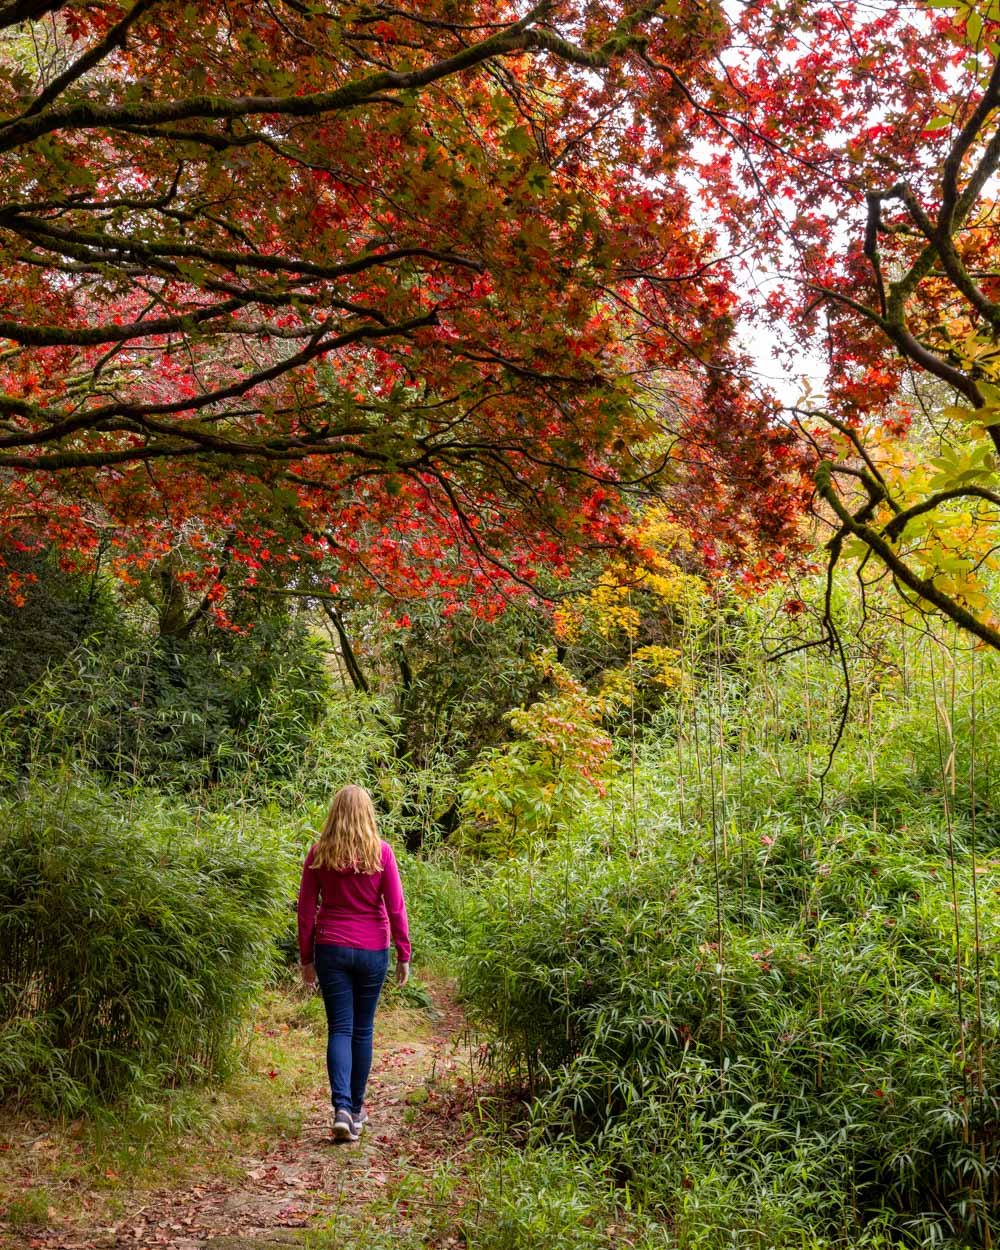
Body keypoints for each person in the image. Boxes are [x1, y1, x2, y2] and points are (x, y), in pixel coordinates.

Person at [297, 784, 411, 1143]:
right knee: (362, 1030)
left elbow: (306, 910)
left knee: (340, 1029)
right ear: (368, 814)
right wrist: (403, 953)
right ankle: (356, 1110)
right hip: (372, 949)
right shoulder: (382, 853)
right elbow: (396, 907)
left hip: (331, 947)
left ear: (335, 814)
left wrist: (306, 958)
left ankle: (343, 1110)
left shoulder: (319, 853)